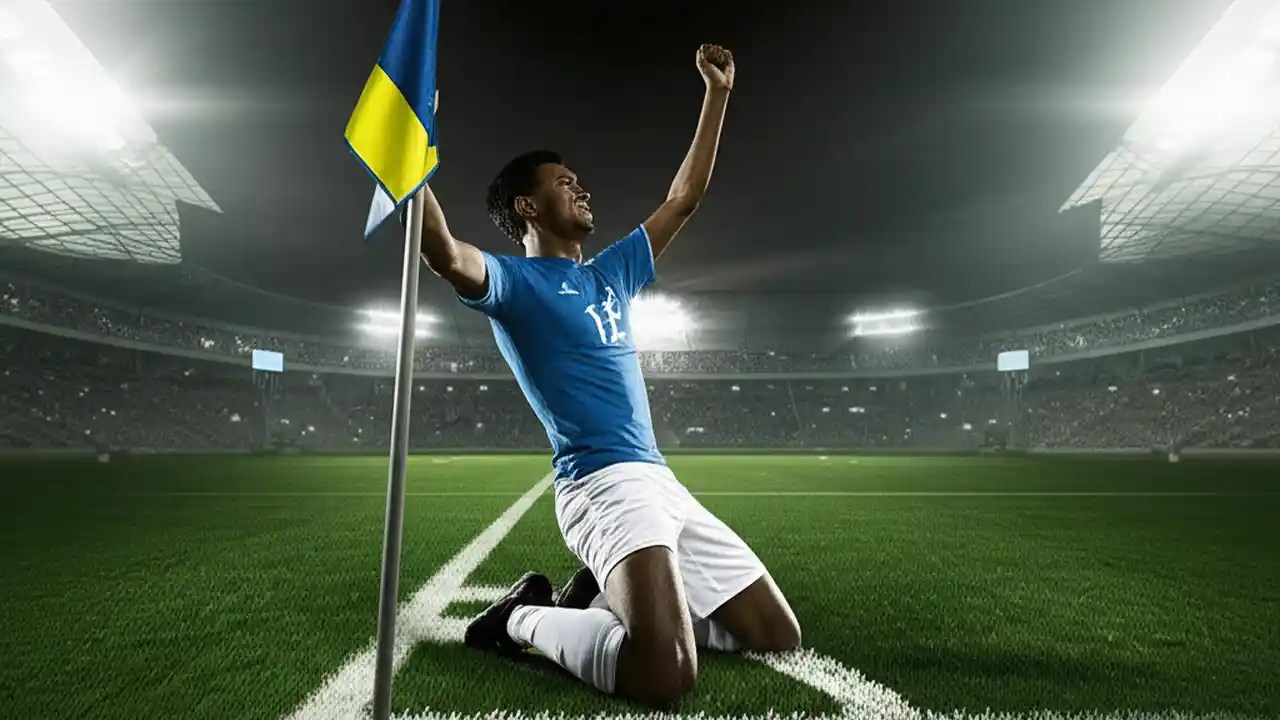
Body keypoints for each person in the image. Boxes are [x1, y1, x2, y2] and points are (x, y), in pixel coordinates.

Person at [417, 44, 801, 708]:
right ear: (527, 208)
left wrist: (718, 94)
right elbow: (445, 253)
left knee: (775, 635)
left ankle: (602, 600)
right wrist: (410, 153)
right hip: (602, 485)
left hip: (660, 479)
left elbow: (683, 199)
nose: (581, 187)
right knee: (664, 674)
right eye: (564, 182)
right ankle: (515, 619)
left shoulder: (610, 274)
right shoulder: (516, 282)